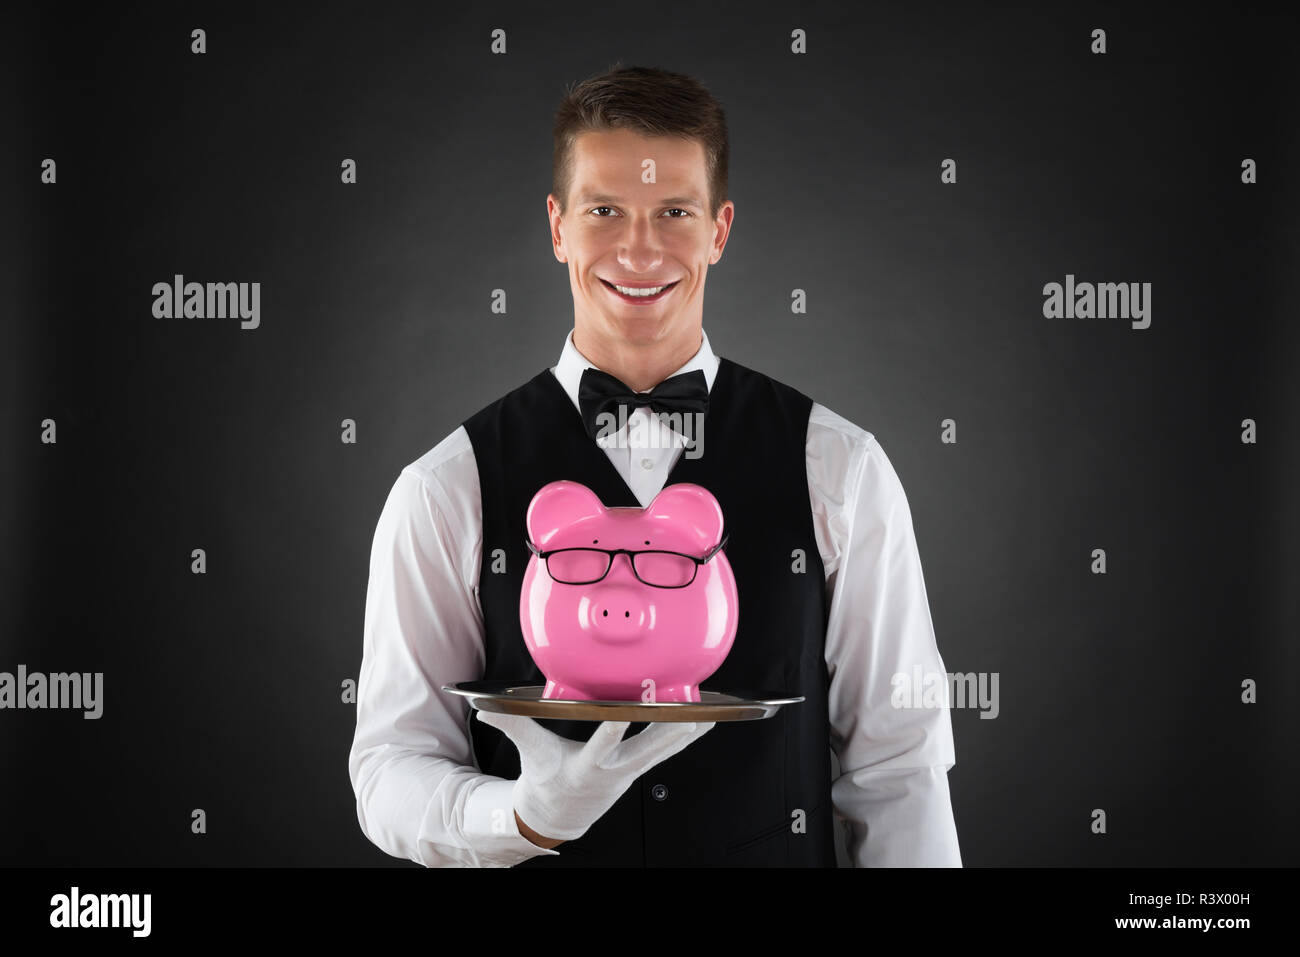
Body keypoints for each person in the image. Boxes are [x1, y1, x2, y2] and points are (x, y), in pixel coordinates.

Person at [348, 64, 962, 867]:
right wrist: (524, 815)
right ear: (558, 226)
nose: (639, 249)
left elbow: (900, 767)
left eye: (674, 211)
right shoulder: (445, 486)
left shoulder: (842, 467)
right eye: (605, 210)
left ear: (720, 229)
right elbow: (389, 767)